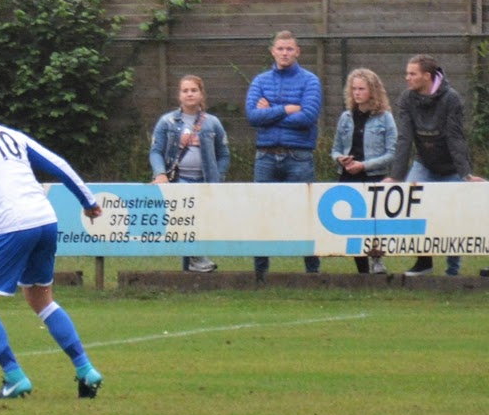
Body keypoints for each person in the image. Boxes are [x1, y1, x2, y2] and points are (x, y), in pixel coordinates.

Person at [0, 85, 104, 400]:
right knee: (41, 299)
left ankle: (14, 377)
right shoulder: (10, 134)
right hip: (45, 219)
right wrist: (87, 200)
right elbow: (57, 163)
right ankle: (86, 370)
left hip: (12, 224)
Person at [384, 54, 483, 276]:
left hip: (451, 167)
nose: (406, 78)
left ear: (427, 76)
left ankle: (452, 269)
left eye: (412, 74)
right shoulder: (406, 98)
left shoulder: (451, 99)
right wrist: (396, 176)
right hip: (424, 163)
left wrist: (465, 173)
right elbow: (405, 138)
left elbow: (455, 138)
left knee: (453, 215)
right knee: (412, 205)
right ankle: (424, 262)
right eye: (406, 73)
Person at [245, 30, 322, 277]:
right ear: (273, 51)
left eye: (290, 49)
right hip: (265, 156)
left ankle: (312, 272)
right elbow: (253, 117)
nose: (285, 53)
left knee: (305, 214)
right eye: (280, 48)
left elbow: (308, 117)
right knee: (261, 215)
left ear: (297, 51)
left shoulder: (310, 81)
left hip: (298, 156)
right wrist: (286, 109)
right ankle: (260, 274)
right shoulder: (260, 81)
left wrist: (271, 114)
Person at [148, 74, 229, 273]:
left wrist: (217, 178)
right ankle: (197, 261)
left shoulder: (213, 123)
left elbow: (224, 154)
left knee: (199, 223)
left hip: (205, 181)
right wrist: (160, 174)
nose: (189, 94)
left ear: (202, 95)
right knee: (186, 221)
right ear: (179, 96)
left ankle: (192, 266)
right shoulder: (166, 122)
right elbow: (156, 151)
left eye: (194, 90)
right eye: (185, 91)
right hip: (178, 180)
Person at [331, 67, 396, 274]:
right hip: (348, 176)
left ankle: (377, 260)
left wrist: (364, 165)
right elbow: (335, 149)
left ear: (373, 91)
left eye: (361, 89)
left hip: (373, 176)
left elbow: (392, 153)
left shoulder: (385, 118)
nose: (357, 93)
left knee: (374, 224)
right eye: (354, 89)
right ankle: (361, 270)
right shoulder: (346, 117)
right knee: (353, 225)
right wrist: (340, 159)